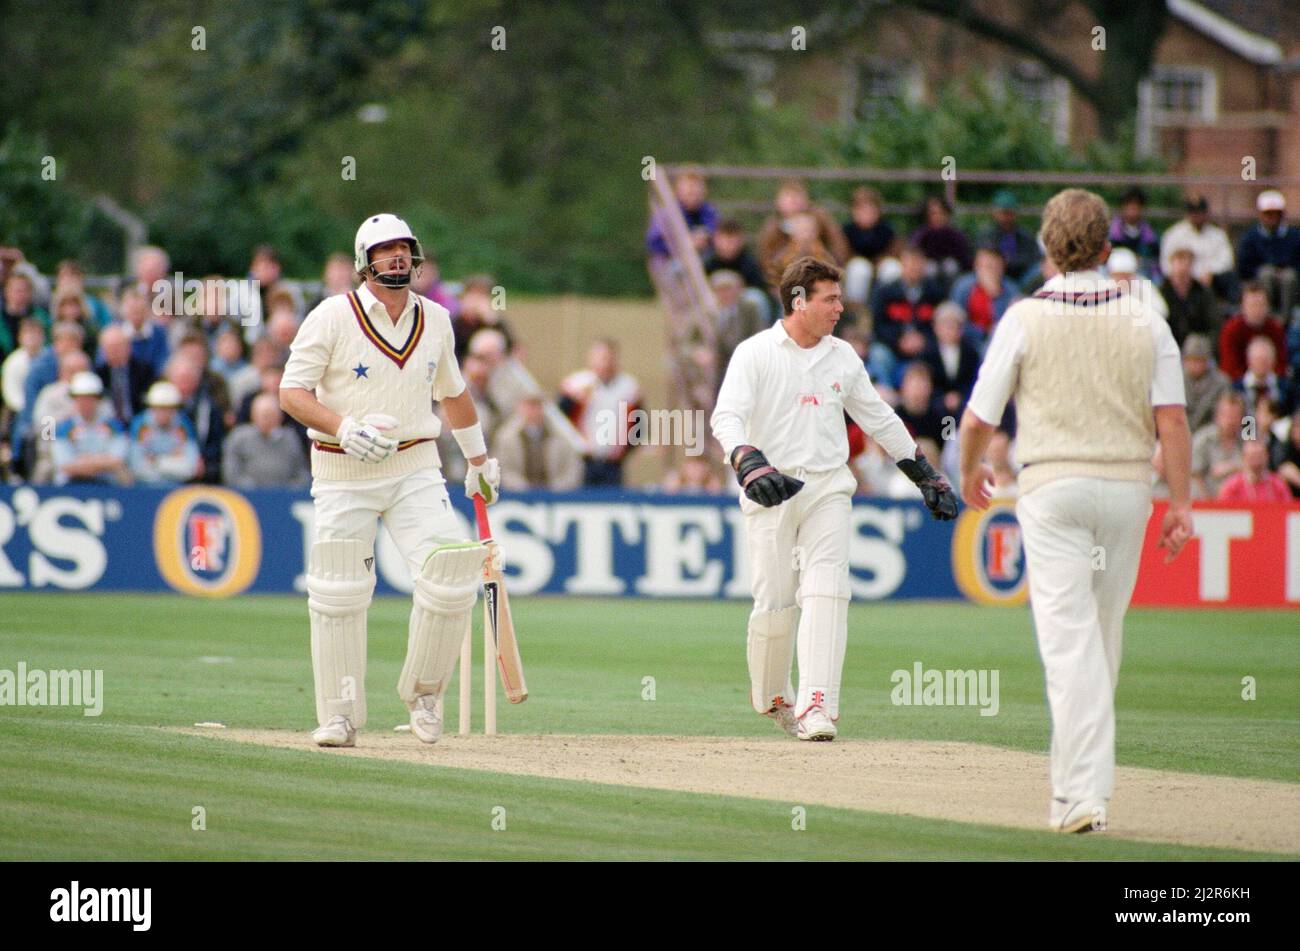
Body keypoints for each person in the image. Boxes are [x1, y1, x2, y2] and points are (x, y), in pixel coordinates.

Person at [958, 188, 1192, 834]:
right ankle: (1073, 792)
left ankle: (1084, 792)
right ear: (1107, 249)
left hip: (1053, 486)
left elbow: (979, 417)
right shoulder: (1145, 317)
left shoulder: (1024, 317)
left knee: (1070, 643)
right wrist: (1181, 501)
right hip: (1125, 488)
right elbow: (1171, 418)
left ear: (1047, 248)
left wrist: (970, 468)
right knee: (1100, 639)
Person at [711, 256, 956, 742]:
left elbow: (879, 417)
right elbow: (727, 417)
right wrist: (747, 461)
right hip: (772, 487)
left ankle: (817, 704)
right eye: (831, 299)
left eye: (840, 297)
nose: (841, 308)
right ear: (799, 301)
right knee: (775, 604)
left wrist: (924, 473)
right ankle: (773, 696)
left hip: (828, 487)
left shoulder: (842, 355)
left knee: (828, 590)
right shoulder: (755, 353)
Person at [279, 212, 500, 749]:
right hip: (341, 468)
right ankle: (340, 716)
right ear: (364, 261)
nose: (397, 257)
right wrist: (344, 427)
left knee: (451, 573)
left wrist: (476, 460)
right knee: (338, 590)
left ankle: (423, 696)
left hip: (415, 465)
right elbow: (291, 392)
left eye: (404, 248)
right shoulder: (332, 316)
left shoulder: (438, 319)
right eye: (385, 250)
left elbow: (453, 393)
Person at [559, 339, 641, 487]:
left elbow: (638, 425)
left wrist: (623, 450)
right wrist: (575, 400)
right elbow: (560, 418)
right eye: (599, 357)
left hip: (613, 462)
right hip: (582, 459)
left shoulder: (628, 387)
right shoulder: (577, 383)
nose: (603, 363)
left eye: (607, 358)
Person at [868, 244, 946, 382]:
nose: (914, 267)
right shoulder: (885, 291)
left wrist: (924, 339)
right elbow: (878, 325)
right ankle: (887, 394)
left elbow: (942, 323)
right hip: (893, 347)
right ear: (902, 264)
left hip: (925, 347)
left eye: (918, 263)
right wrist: (899, 340)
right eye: (910, 262)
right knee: (878, 354)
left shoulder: (935, 292)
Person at [493, 391, 583, 491]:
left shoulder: (561, 437)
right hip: (517, 497)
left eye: (537, 406)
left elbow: (572, 469)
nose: (533, 411)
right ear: (519, 408)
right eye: (529, 406)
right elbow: (503, 469)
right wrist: (523, 488)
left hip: (556, 497)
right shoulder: (506, 438)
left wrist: (555, 488)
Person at [51, 372, 130, 486]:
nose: (85, 403)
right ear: (74, 399)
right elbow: (63, 464)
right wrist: (98, 463)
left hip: (107, 483)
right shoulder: (63, 428)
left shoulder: (114, 426)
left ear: (98, 399)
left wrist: (87, 462)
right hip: (71, 484)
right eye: (81, 398)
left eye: (90, 398)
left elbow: (117, 460)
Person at [222, 392, 309, 489]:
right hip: (248, 496)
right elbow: (231, 472)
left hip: (285, 496)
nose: (267, 420)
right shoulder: (239, 437)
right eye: (264, 415)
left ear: (280, 417)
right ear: (253, 415)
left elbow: (302, 472)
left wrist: (289, 489)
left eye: (272, 415)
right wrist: (255, 490)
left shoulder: (290, 438)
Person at [1159, 195, 1237, 303]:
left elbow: (1227, 261)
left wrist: (1210, 272)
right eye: (1193, 213)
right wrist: (1187, 275)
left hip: (1211, 281)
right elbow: (1165, 265)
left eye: (1200, 212)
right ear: (1187, 214)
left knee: (1230, 279)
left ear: (1206, 213)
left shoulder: (1218, 235)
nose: (1197, 216)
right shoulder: (1174, 234)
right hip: (1182, 282)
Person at [1237, 190, 1300, 318]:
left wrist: (1283, 270)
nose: (1272, 218)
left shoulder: (1294, 236)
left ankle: (1284, 319)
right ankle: (1267, 316)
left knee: (1289, 277)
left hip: (1289, 281)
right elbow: (1244, 265)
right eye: (1268, 214)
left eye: (1275, 214)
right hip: (1261, 280)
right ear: (1260, 215)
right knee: (1266, 273)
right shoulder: (1251, 237)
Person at [128, 381, 201, 485]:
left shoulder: (183, 426)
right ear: (151, 407)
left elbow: (191, 468)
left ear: (175, 409)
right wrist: (173, 461)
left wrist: (157, 461)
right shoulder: (140, 426)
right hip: (145, 488)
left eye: (168, 408)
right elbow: (137, 467)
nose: (163, 413)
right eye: (159, 408)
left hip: (177, 488)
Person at [948, 247, 1020, 342]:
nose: (989, 270)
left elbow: (1013, 322)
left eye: (993, 265)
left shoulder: (1011, 289)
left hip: (1001, 340)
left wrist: (995, 295)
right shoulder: (963, 286)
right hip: (968, 341)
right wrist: (983, 332)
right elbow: (955, 319)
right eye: (985, 265)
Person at [1218, 283, 1288, 380]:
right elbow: (1229, 368)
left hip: (1271, 382)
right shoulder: (1231, 330)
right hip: (1239, 384)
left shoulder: (1276, 328)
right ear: (1243, 307)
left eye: (1261, 305)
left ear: (1268, 306)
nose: (1257, 310)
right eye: (1252, 305)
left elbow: (1281, 364)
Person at [920, 302, 981, 415]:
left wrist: (959, 396)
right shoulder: (927, 353)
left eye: (953, 325)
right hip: (935, 404)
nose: (949, 330)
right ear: (936, 327)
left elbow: (973, 380)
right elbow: (925, 380)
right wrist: (944, 398)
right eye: (945, 325)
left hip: (964, 403)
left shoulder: (970, 353)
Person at [841, 187, 898, 305]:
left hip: (881, 265)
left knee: (892, 268)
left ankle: (886, 307)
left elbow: (893, 252)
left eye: (871, 209)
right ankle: (856, 310)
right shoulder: (848, 230)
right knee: (859, 268)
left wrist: (878, 263)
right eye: (861, 209)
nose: (866, 213)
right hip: (856, 267)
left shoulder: (886, 229)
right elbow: (843, 255)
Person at [646, 168, 719, 259]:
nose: (694, 197)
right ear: (678, 192)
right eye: (690, 193)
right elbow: (654, 244)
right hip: (672, 260)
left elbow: (718, 235)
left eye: (697, 192)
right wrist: (684, 245)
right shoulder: (666, 215)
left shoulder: (710, 212)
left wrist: (706, 238)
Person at [96, 325, 156, 426]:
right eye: (110, 347)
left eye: (118, 346)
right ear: (103, 351)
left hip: (138, 425)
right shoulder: (98, 374)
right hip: (109, 427)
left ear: (128, 347)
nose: (115, 351)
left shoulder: (144, 371)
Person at [1158, 247, 1218, 348]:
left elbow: (1214, 323)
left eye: (1187, 264)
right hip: (1168, 344)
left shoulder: (1203, 292)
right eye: (1179, 262)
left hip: (1197, 347)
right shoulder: (1160, 292)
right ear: (1171, 264)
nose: (1183, 268)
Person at [976, 190, 1039, 283]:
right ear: (995, 213)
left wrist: (1011, 262)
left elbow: (1033, 258)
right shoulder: (986, 235)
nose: (1006, 217)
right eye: (1003, 213)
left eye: (1009, 213)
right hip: (995, 276)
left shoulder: (1025, 236)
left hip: (1021, 276)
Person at [1191, 391, 1245, 498]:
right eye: (1227, 416)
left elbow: (1257, 468)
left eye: (1235, 416)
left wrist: (1231, 467)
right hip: (1207, 501)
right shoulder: (1203, 439)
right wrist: (1209, 502)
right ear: (1217, 416)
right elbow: (1194, 476)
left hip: (1242, 502)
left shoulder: (1247, 440)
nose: (1231, 421)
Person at [910, 195, 973, 287]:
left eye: (941, 213)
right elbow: (914, 254)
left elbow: (965, 259)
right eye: (933, 213)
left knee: (950, 266)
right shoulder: (920, 234)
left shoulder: (956, 235)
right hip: (927, 269)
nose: (938, 217)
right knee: (930, 268)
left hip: (951, 270)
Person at [1180, 334, 1230, 433]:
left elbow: (1228, 413)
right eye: (1191, 360)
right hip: (1179, 432)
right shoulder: (1174, 380)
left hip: (1212, 434)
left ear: (1208, 361)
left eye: (1199, 360)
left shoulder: (1221, 382)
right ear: (1184, 360)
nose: (1195, 365)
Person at [1108, 187, 1161, 279]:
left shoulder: (1150, 237)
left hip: (1142, 277)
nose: (1132, 208)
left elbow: (1154, 264)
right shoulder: (1111, 234)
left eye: (1137, 205)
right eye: (1129, 204)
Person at [1217, 438, 1290, 503]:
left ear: (1266, 457)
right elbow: (1223, 513)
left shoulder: (1278, 485)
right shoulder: (1232, 486)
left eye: (1259, 457)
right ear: (1244, 458)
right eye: (1252, 457)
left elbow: (1288, 509)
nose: (1256, 462)